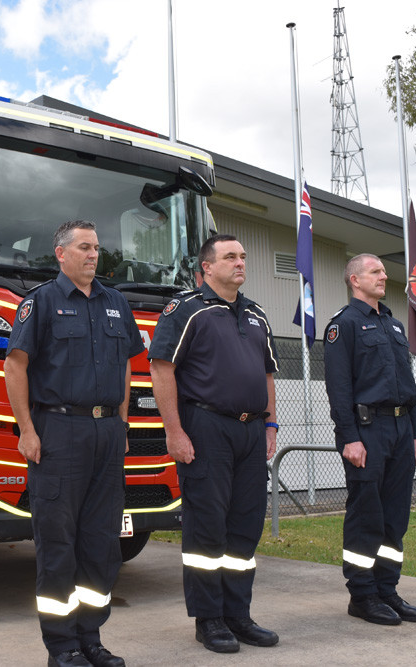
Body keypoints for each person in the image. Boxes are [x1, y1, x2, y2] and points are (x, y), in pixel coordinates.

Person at [4, 220, 144, 667]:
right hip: (59, 432)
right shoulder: (41, 303)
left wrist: (121, 423)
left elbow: (125, 364)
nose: (93, 254)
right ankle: (62, 645)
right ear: (60, 253)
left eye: (97, 248)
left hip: (106, 434)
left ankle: (91, 638)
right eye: (84, 247)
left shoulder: (115, 302)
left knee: (101, 542)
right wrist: (27, 429)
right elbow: (15, 366)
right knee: (58, 541)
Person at [148, 234, 279, 654]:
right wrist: (174, 431)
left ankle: (238, 615)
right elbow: (161, 368)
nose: (240, 263)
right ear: (207, 267)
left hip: (250, 431)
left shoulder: (257, 314)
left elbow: (267, 375)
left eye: (243, 256)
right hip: (205, 428)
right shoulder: (186, 310)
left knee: (245, 525)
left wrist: (271, 425)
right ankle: (209, 620)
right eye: (230, 257)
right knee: (207, 528)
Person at [323, 253, 416, 625]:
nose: (384, 276)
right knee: (367, 515)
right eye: (375, 271)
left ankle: (388, 590)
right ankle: (363, 596)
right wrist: (349, 438)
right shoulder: (343, 325)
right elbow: (338, 389)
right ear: (355, 280)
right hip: (367, 432)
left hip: (401, 431)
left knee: (395, 517)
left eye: (384, 270)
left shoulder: (395, 325)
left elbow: (408, 387)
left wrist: (415, 435)